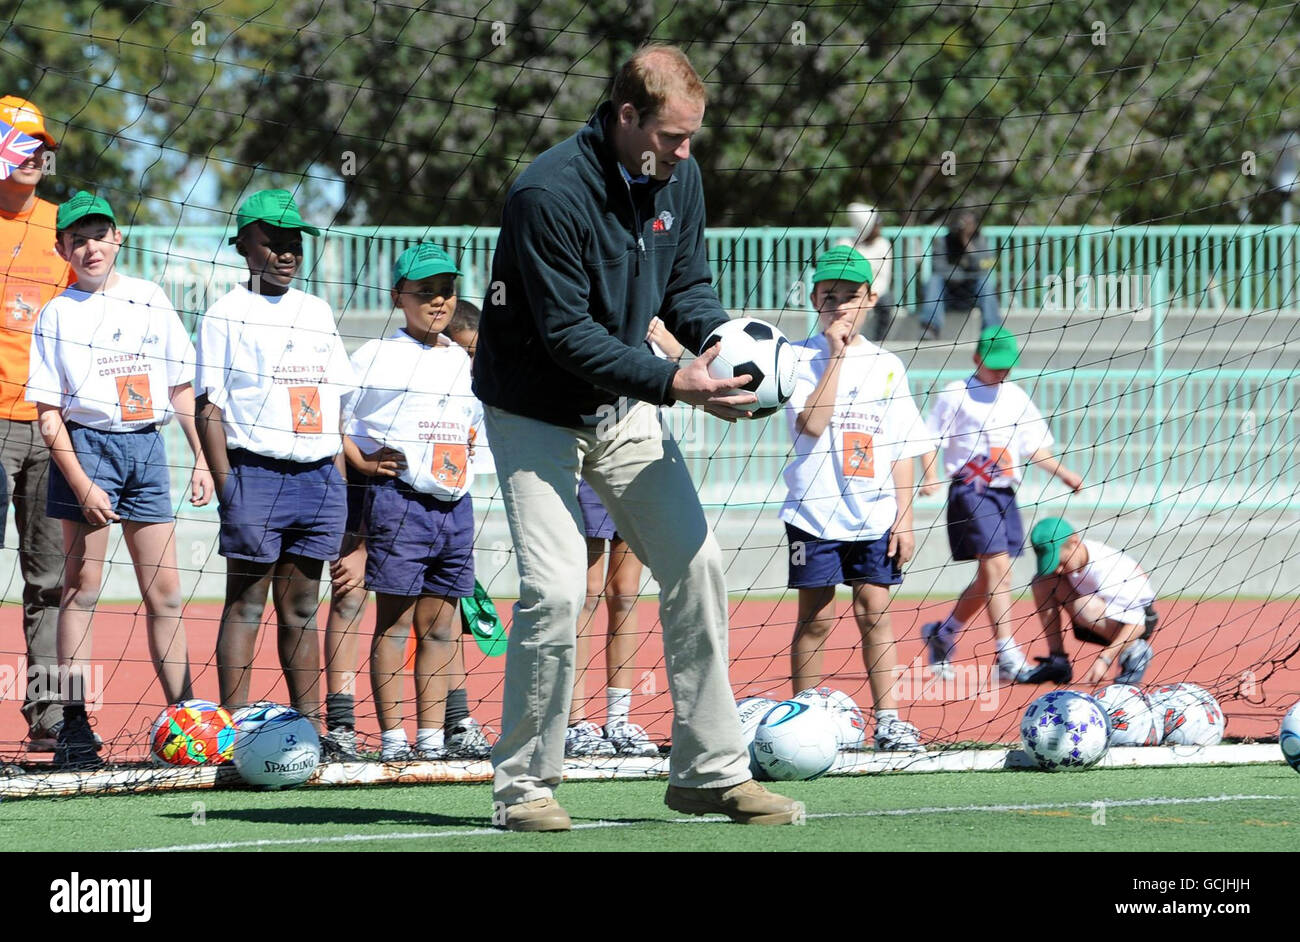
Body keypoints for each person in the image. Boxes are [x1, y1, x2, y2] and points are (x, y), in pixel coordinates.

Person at [474, 45, 803, 831]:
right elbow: (564, 335)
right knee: (557, 591)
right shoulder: (545, 193)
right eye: (673, 137)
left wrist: (721, 349)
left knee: (699, 564)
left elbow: (686, 285)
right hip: (535, 412)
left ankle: (709, 774)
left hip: (622, 406)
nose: (686, 154)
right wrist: (674, 381)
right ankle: (525, 788)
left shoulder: (677, 177)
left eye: (692, 138)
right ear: (627, 117)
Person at [27, 191, 212, 768]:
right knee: (81, 590)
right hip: (86, 449)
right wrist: (81, 483)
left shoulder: (149, 298)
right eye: (76, 238)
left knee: (166, 594)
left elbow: (181, 385)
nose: (89, 247)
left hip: (147, 450)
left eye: (98, 234)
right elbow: (49, 412)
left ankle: (185, 716)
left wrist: (202, 457)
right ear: (61, 247)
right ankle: (77, 725)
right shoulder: (58, 312)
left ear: (117, 237)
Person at [195, 188, 356, 724]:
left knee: (303, 608)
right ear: (245, 245)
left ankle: (309, 729)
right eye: (274, 243)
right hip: (255, 476)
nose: (287, 254)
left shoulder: (316, 310)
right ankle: (234, 728)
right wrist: (228, 488)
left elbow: (335, 405)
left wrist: (339, 485)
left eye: (295, 244)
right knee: (246, 604)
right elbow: (209, 408)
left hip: (318, 477)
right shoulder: (224, 314)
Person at [780, 246, 933, 751]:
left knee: (875, 611)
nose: (840, 306)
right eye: (830, 297)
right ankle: (801, 719)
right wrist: (837, 356)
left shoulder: (888, 365)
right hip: (814, 512)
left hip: (873, 512)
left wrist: (904, 519)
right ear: (814, 299)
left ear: (870, 299)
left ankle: (888, 719)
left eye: (851, 297)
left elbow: (903, 447)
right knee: (816, 618)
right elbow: (812, 422)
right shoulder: (796, 358)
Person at [345, 243, 489, 761]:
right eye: (424, 292)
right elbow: (335, 418)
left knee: (442, 625)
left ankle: (431, 739)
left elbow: (474, 425)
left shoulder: (467, 360)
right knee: (395, 622)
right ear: (397, 297)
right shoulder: (377, 355)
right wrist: (360, 463)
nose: (438, 301)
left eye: (446, 291)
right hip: (399, 504)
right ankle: (392, 740)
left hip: (455, 506)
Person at [918, 326, 1083, 683]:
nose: (1001, 371)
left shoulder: (1016, 397)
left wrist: (1063, 473)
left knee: (991, 576)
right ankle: (1006, 652)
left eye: (1006, 365)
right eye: (994, 365)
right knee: (997, 570)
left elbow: (1033, 446)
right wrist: (930, 476)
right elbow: (930, 438)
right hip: (971, 489)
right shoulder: (956, 393)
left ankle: (943, 632)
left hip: (1004, 492)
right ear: (976, 359)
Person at [566, 317, 683, 760]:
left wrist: (668, 348)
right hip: (593, 462)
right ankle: (575, 720)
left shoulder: (651, 324)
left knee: (624, 594)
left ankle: (618, 718)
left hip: (639, 463)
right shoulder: (593, 323)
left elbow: (672, 375)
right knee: (588, 593)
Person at [0, 95, 71, 752]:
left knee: (49, 578)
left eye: (38, 143)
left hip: (50, 426)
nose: (33, 154)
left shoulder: (62, 230)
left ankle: (49, 710)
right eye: (19, 141)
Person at [1023, 517, 1158, 685]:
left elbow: (1138, 624)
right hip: (1095, 615)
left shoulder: (1107, 569)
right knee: (1042, 580)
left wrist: (1104, 659)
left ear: (1074, 542)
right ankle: (1058, 661)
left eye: (1061, 562)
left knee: (1085, 606)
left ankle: (1135, 650)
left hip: (1137, 621)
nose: (1057, 570)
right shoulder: (1073, 557)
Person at [917, 211, 1001, 340]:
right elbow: (939, 269)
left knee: (985, 283)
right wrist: (963, 274)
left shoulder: (981, 241)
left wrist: (966, 243)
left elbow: (983, 268)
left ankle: (992, 332)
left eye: (968, 224)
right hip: (948, 295)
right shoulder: (943, 242)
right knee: (934, 281)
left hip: (971, 295)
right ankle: (930, 327)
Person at [837, 203, 896, 343]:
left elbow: (883, 279)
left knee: (887, 301)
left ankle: (880, 341)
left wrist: (866, 296)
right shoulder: (845, 244)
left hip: (875, 293)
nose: (879, 228)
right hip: (848, 292)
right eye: (876, 224)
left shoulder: (883, 245)